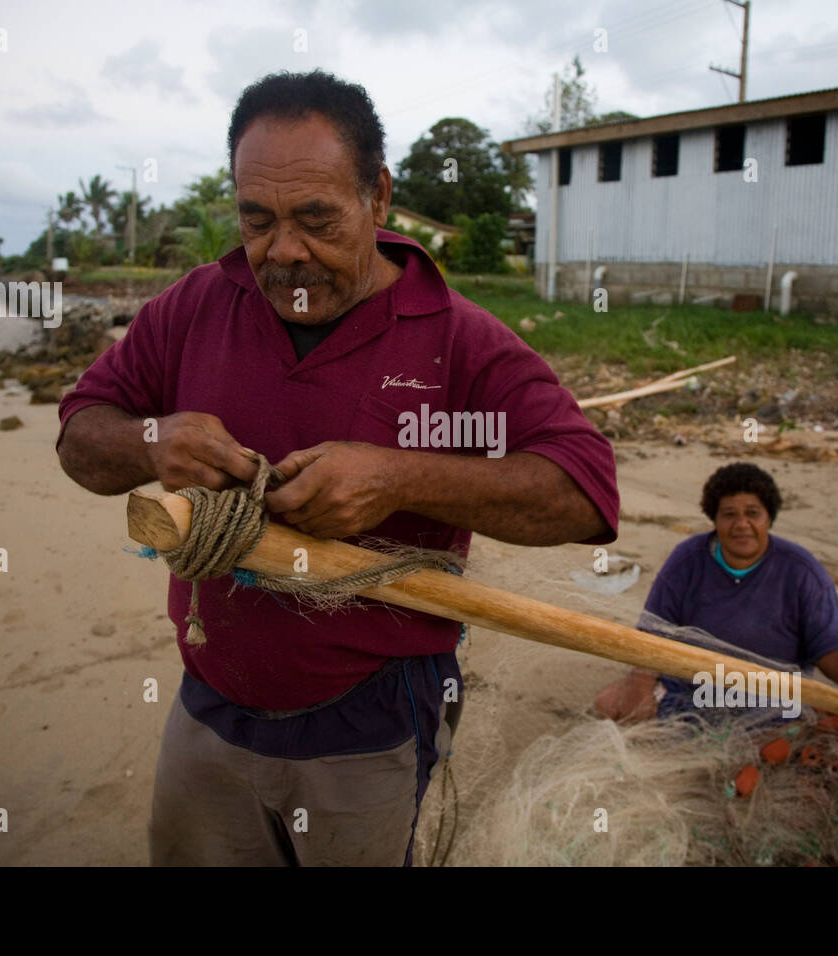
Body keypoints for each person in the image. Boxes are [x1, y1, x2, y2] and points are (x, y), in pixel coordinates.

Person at [55, 69, 620, 866]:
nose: (285, 252)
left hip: (375, 722)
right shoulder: (196, 306)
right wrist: (152, 440)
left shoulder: (457, 339)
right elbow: (80, 434)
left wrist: (400, 477)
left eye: (317, 219)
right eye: (258, 220)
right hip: (207, 696)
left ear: (378, 195)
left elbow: (586, 492)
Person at [594, 462, 838, 724]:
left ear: (769, 518)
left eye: (753, 513)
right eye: (729, 514)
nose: (742, 525)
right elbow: (654, 631)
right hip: (695, 689)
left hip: (771, 697)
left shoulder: (802, 571)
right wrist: (640, 684)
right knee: (609, 703)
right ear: (714, 519)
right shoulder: (687, 559)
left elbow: (830, 645)